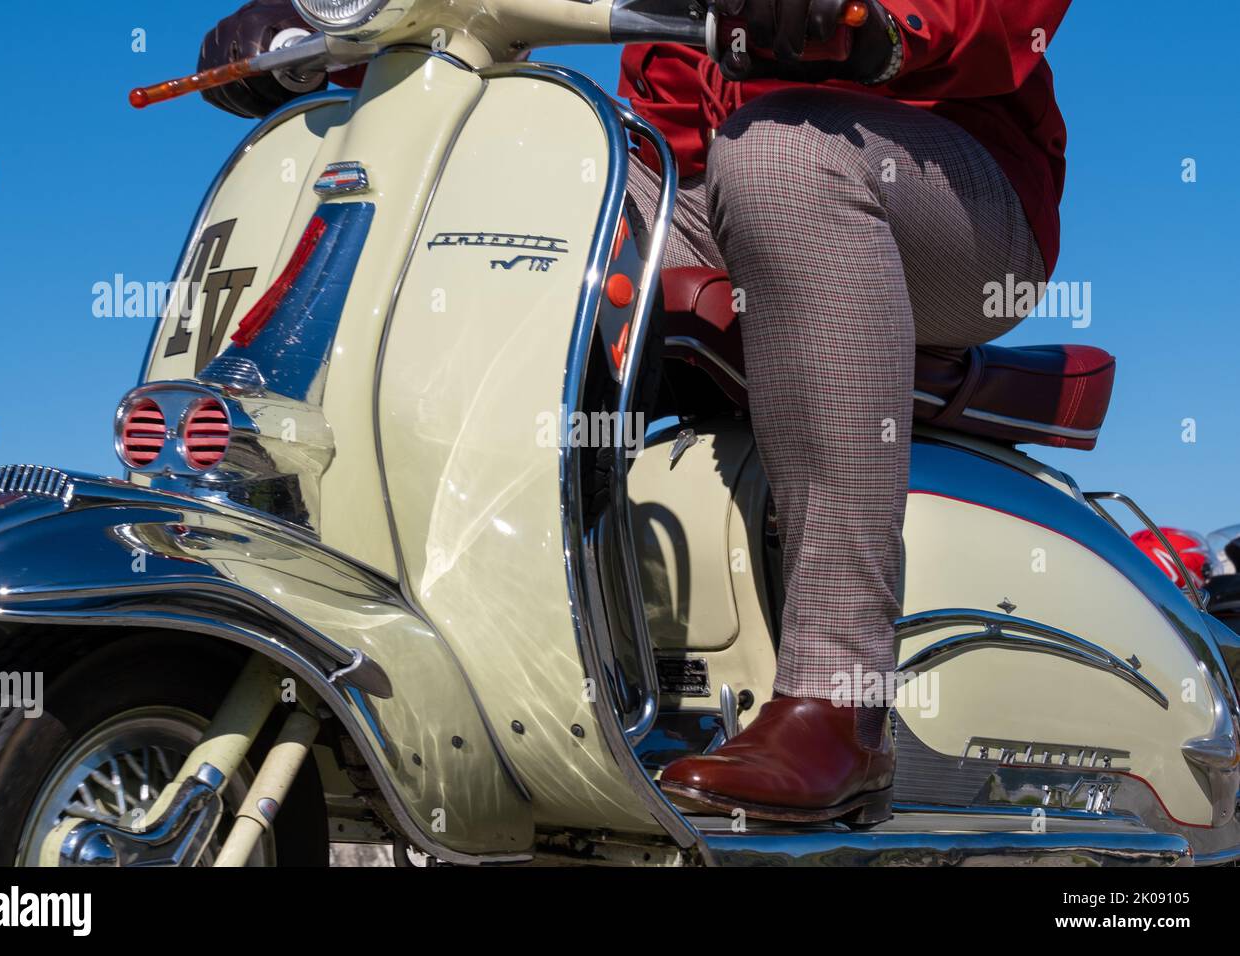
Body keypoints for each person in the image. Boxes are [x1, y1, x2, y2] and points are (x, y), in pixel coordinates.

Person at [198, 0, 1071, 824]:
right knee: (496, 186)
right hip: (706, 186)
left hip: (944, 181)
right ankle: (444, 649)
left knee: (776, 154)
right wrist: (328, 32)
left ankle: (843, 700)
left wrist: (882, 19)